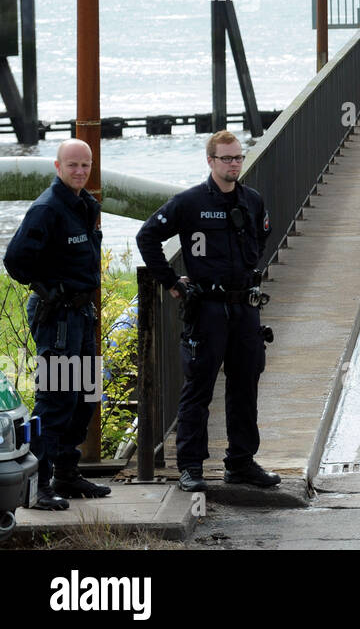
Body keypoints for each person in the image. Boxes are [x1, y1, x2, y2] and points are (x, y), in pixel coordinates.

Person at [136, 131, 279, 493]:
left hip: (245, 308)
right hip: (208, 310)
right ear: (210, 161)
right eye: (227, 158)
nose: (234, 164)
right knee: (198, 389)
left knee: (245, 385)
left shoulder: (252, 201)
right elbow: (147, 236)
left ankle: (241, 462)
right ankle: (190, 466)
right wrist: (170, 281)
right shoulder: (189, 202)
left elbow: (262, 238)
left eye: (238, 158)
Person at [3, 139, 110, 509]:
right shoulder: (47, 209)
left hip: (81, 315)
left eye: (86, 165)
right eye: (73, 165)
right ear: (57, 166)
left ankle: (67, 473)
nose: (80, 171)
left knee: (86, 396)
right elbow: (16, 261)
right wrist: (50, 288)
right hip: (59, 317)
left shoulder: (82, 206)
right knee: (56, 402)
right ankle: (39, 485)